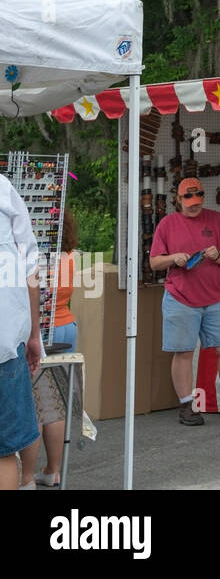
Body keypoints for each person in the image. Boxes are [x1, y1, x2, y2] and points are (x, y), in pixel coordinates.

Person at [148, 177, 220, 424]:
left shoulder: (218, 219)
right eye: (188, 201)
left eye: (197, 200)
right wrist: (173, 258)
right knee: (183, 352)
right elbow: (155, 262)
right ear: (177, 200)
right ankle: (186, 405)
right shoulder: (167, 224)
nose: (194, 205)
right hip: (180, 297)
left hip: (215, 297)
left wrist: (218, 254)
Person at [26, 213, 80, 487]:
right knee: (55, 404)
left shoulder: (33, 259)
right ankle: (54, 470)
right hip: (66, 326)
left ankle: (26, 475)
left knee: (34, 406)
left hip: (41, 332)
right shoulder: (70, 257)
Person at [0, 174, 41, 491]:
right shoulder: (3, 187)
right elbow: (31, 272)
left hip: (9, 343)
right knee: (4, 452)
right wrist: (34, 335)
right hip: (6, 343)